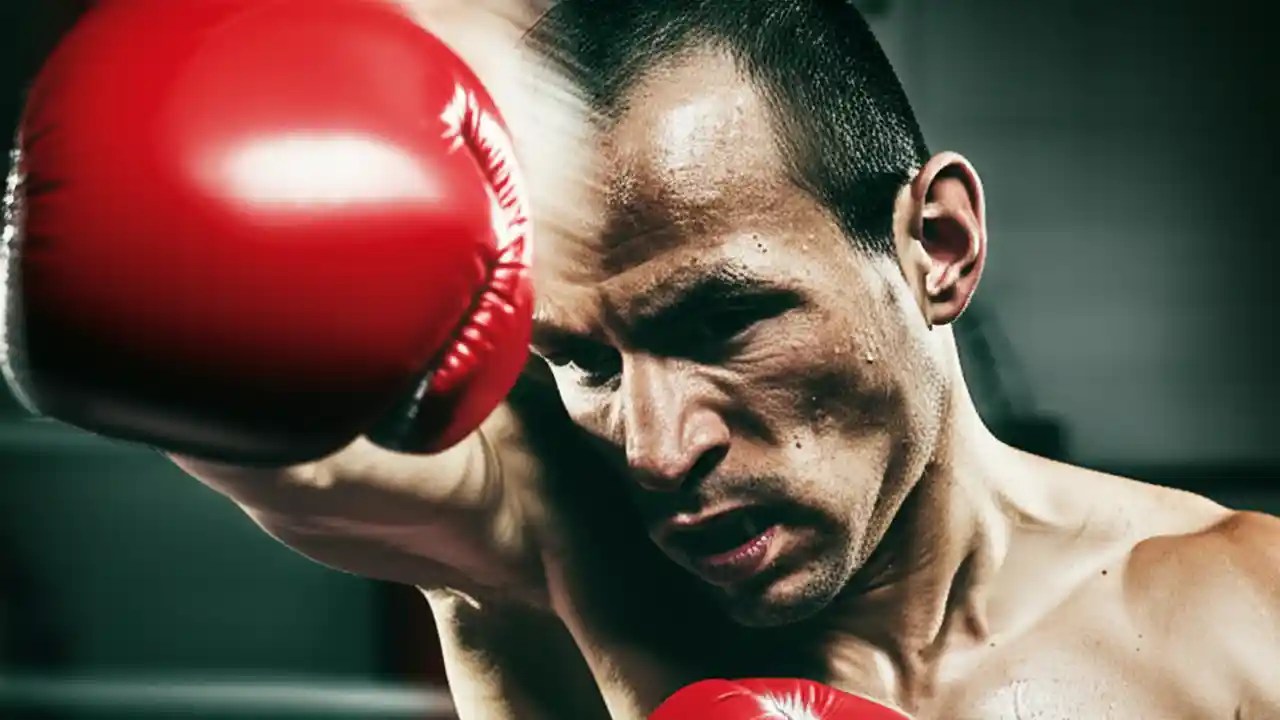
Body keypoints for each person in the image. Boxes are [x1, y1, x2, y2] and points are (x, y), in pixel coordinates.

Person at [6, 0, 1278, 718]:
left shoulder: (1240, 621)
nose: (659, 450)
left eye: (721, 322)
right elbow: (289, 452)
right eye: (585, 361)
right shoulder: (563, 537)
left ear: (935, 245)